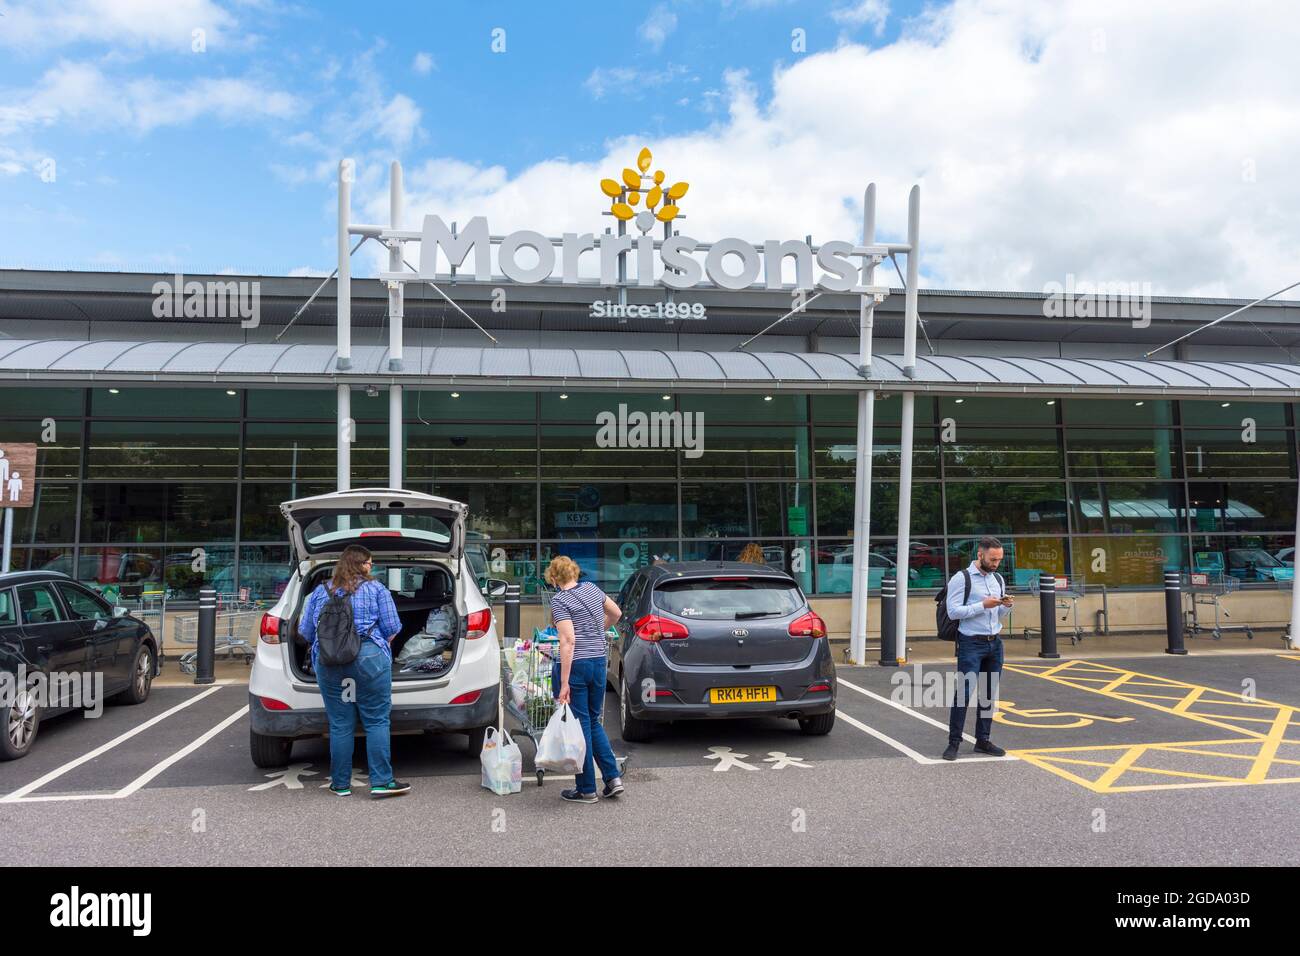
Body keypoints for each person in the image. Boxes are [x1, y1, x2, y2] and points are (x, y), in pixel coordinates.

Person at [298, 544, 410, 798]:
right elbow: (393, 626)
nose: (372, 567)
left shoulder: (320, 591)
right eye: (370, 563)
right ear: (362, 565)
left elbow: (305, 632)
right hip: (369, 657)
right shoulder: (376, 589)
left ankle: (340, 785)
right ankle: (381, 782)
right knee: (376, 720)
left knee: (339, 724)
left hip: (329, 661)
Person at [546, 555, 625, 804]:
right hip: (599, 661)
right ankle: (613, 778)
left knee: (581, 726)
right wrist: (595, 629)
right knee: (592, 721)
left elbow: (568, 642)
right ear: (574, 573)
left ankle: (587, 789)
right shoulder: (591, 588)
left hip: (578, 665)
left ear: (555, 578)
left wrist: (565, 683)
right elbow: (616, 613)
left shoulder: (560, 601)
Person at [943, 536, 1012, 761]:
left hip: (995, 642)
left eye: (999, 560)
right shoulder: (961, 578)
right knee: (963, 694)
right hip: (971, 642)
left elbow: (998, 613)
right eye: (992, 559)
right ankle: (954, 742)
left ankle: (983, 740)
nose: (996, 564)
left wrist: (1005, 606)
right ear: (980, 555)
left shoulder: (998, 579)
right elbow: (953, 612)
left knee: (989, 694)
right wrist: (983, 605)